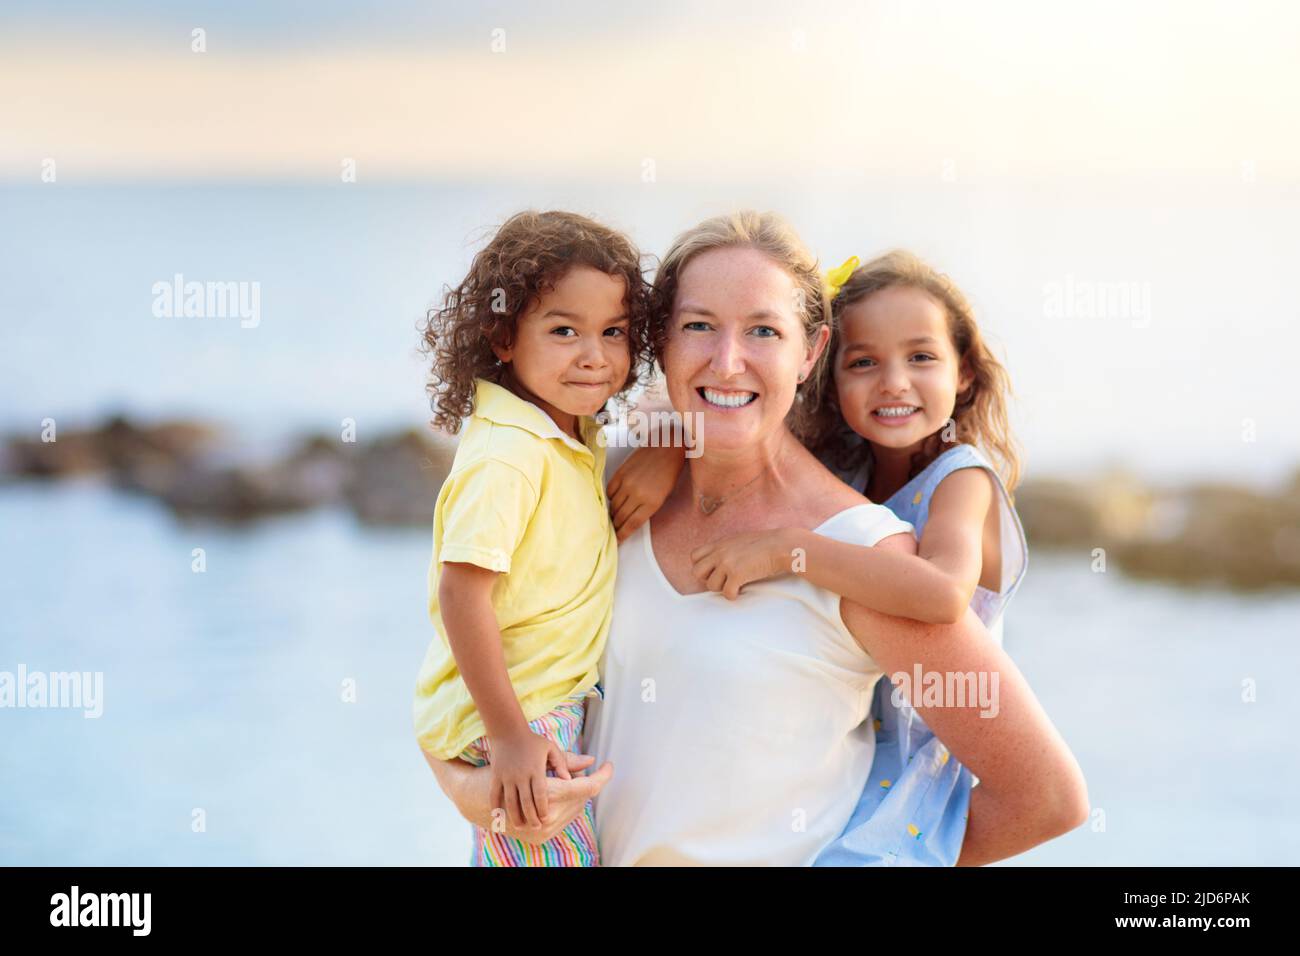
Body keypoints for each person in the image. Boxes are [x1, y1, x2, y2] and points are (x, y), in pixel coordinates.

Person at [426, 211, 1088, 866]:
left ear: (811, 351)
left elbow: (1045, 798)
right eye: (699, 327)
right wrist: (474, 791)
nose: (728, 360)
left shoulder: (861, 553)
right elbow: (468, 686)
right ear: (660, 343)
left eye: (763, 330)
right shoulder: (606, 484)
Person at [612, 249, 1030, 865]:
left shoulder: (960, 479)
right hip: (873, 751)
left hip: (923, 767)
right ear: (827, 373)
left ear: (965, 372)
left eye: (921, 357)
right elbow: (735, 404)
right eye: (863, 363)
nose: (893, 382)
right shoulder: (853, 465)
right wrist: (669, 449)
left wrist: (790, 550)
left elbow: (941, 595)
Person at [411, 210, 651, 866]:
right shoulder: (508, 454)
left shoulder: (569, 431)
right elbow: (462, 595)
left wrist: (672, 454)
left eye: (614, 333)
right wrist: (511, 736)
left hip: (536, 707)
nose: (593, 356)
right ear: (503, 335)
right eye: (564, 330)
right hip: (520, 713)